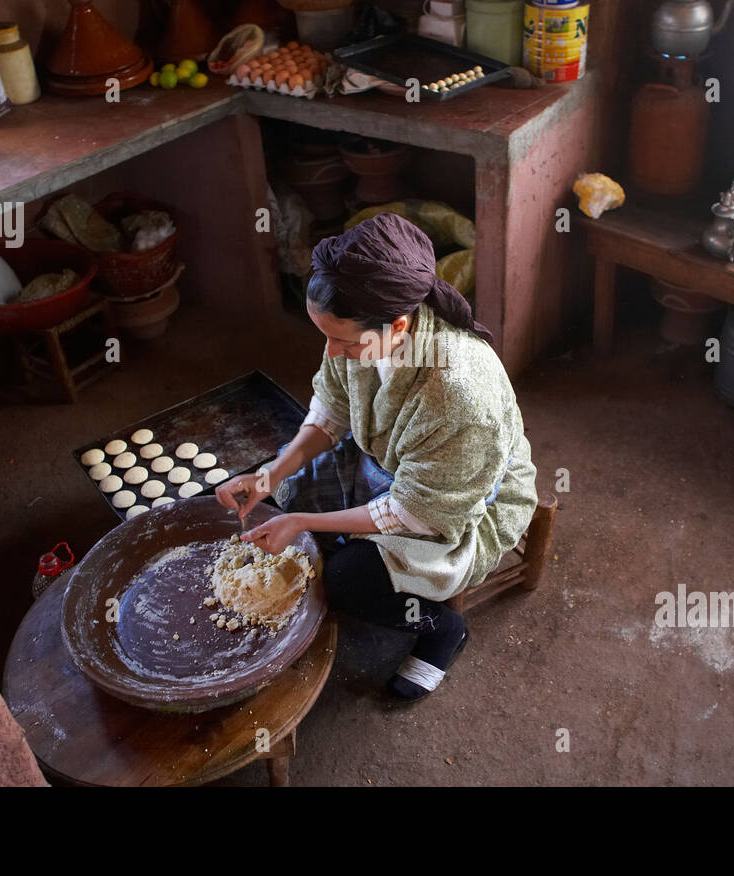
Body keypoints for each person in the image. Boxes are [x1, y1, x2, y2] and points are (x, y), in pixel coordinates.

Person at [215, 212, 538, 700]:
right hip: (390, 464)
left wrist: (303, 521)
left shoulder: (457, 394)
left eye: (342, 340)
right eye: (324, 335)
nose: (332, 351)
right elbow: (330, 409)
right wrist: (269, 474)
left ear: (400, 325)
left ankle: (442, 630)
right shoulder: (364, 327)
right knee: (277, 493)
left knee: (348, 579)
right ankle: (312, 516)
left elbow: (420, 512)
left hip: (461, 502)